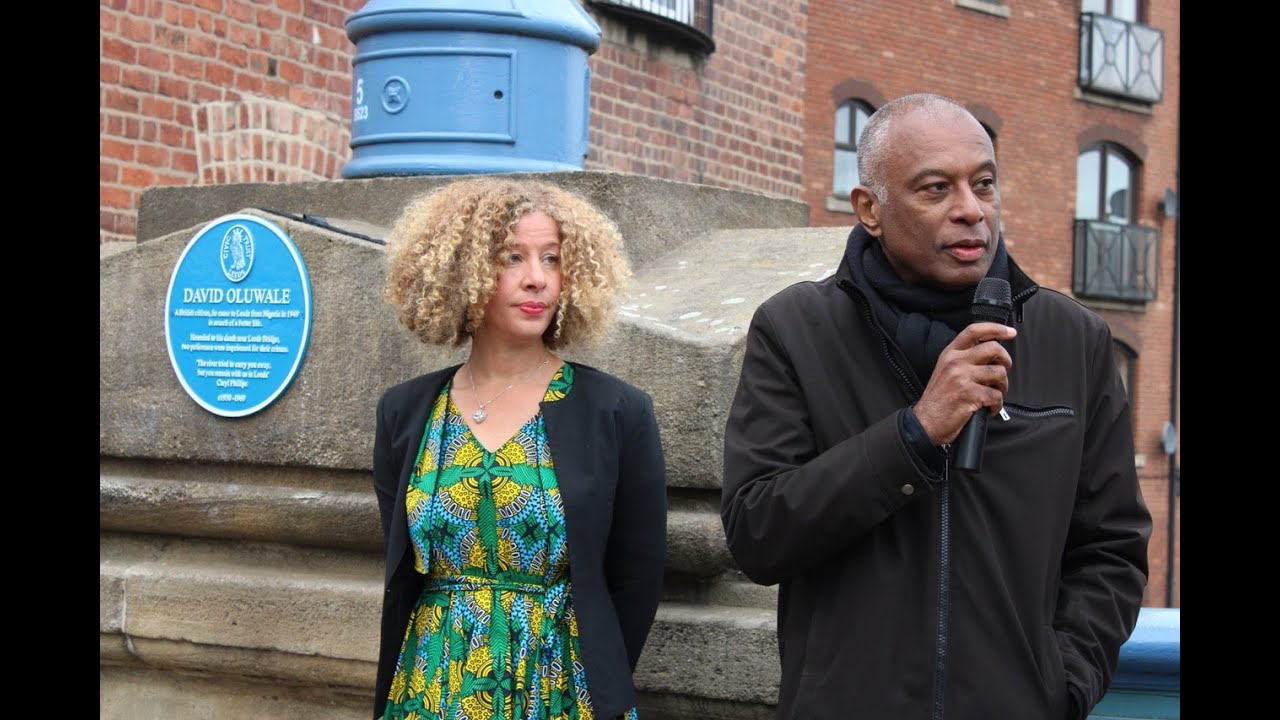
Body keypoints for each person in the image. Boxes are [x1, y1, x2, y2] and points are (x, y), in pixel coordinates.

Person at [720, 93, 1151, 719]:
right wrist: (914, 436)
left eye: (983, 184)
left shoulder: (1074, 339)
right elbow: (758, 534)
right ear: (870, 208)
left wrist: (1062, 687)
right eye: (935, 190)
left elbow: (1111, 546)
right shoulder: (795, 330)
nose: (970, 211)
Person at [373, 177, 667, 720]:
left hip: (561, 686)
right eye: (513, 258)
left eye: (552, 260)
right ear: (462, 271)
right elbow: (402, 578)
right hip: (433, 685)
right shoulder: (407, 413)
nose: (537, 280)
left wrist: (589, 675)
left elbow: (637, 576)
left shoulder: (616, 411)